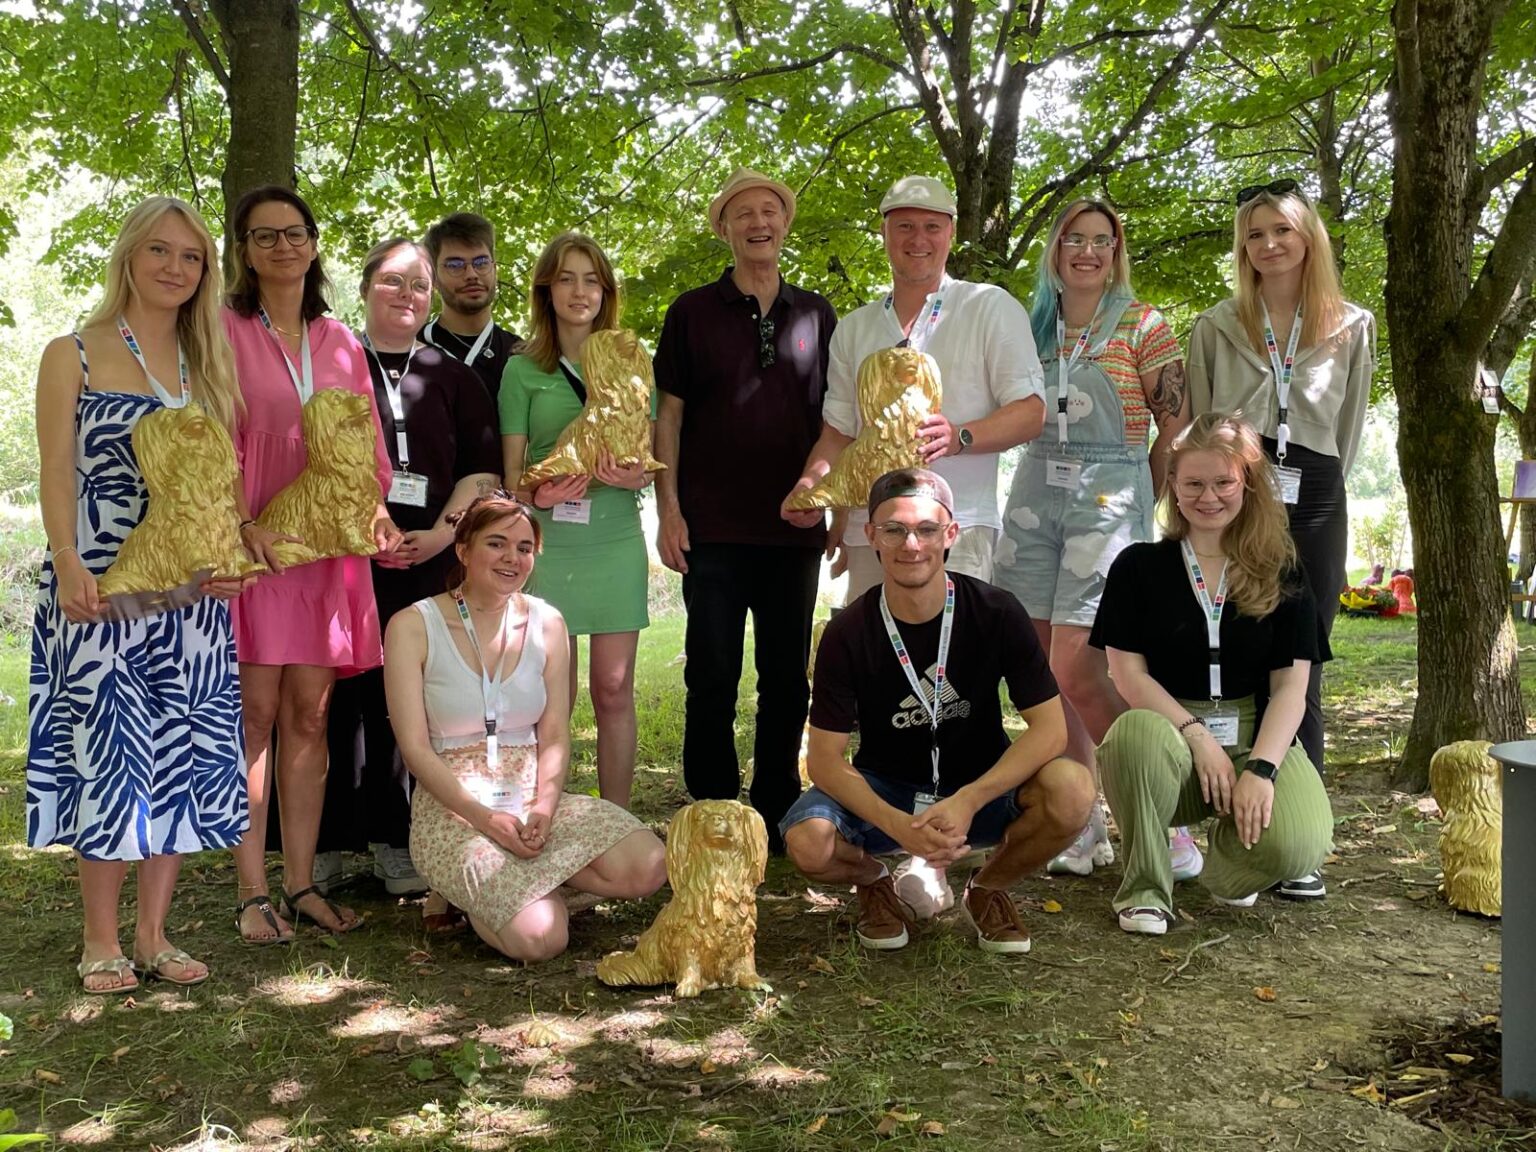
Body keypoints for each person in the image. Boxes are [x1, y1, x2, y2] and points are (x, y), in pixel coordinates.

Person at [29, 196, 250, 991]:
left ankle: (155, 936)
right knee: (111, 751)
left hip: (191, 600)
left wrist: (227, 556)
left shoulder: (210, 369)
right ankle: (99, 938)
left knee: (180, 754)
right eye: (160, 251)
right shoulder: (73, 354)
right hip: (102, 584)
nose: (175, 268)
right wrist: (66, 561)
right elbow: (57, 469)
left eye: (190, 258)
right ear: (129, 255)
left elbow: (219, 489)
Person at [782, 468, 1094, 954]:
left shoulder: (997, 611)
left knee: (1073, 791)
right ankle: (875, 880)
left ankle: (988, 888)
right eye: (895, 529)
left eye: (927, 529)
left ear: (951, 533)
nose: (912, 544)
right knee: (807, 840)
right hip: (887, 788)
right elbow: (824, 759)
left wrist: (970, 799)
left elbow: (1050, 731)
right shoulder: (847, 632)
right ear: (872, 536)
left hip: (982, 786)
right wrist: (895, 823)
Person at [992, 199, 1193, 878]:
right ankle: (1081, 821)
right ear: (1055, 248)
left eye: (1101, 241)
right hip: (1032, 499)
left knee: (1083, 666)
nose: (1087, 251)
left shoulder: (1144, 325)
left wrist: (1146, 507)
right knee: (1045, 669)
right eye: (1073, 239)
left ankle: (1162, 813)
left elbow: (1174, 432)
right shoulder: (1029, 324)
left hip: (1110, 495)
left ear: (1116, 251)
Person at [1187, 179, 1375, 900]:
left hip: (1318, 492)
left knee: (1304, 657)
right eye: (1255, 234)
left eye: (1282, 232)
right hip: (1240, 485)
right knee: (1240, 643)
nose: (1268, 245)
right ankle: (1237, 835)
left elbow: (1349, 427)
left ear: (1308, 238)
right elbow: (1205, 424)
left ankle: (1299, 839)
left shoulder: (1352, 325)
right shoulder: (1216, 324)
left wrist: (1315, 482)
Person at [224, 184, 401, 941]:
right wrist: (237, 524)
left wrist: (377, 511)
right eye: (264, 236)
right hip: (260, 540)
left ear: (314, 242)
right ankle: (250, 889)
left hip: (327, 552)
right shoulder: (223, 330)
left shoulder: (341, 340)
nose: (282, 247)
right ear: (244, 250)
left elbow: (369, 450)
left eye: (294, 233)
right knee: (255, 716)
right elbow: (210, 436)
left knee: (312, 714)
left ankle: (301, 883)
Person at [382, 494, 668, 961]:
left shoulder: (548, 623)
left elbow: (554, 734)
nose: (512, 559)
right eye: (496, 544)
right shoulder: (413, 626)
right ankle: (484, 895)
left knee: (650, 865)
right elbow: (415, 749)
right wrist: (484, 820)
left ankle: (517, 886)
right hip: (457, 811)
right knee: (543, 939)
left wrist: (546, 808)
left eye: (524, 548)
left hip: (531, 799)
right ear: (463, 550)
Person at [1090, 414, 1334, 936]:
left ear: (1246, 482)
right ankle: (1145, 891)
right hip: (1168, 736)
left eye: (1223, 482)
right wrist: (1196, 736)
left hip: (1252, 734)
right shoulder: (1137, 567)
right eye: (1193, 483)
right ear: (1172, 486)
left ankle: (1229, 872)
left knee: (1303, 842)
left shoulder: (1282, 568)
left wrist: (1263, 770)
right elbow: (1127, 675)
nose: (1209, 497)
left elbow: (1292, 687)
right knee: (1132, 732)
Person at [653, 167, 837, 848]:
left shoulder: (817, 313)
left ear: (785, 224)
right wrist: (668, 509)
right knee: (712, 671)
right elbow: (666, 418)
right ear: (723, 229)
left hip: (793, 532)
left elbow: (836, 420)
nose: (758, 223)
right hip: (713, 529)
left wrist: (835, 508)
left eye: (770, 211)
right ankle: (711, 811)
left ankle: (778, 809)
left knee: (788, 677)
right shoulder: (691, 311)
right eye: (742, 214)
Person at [319, 238, 502, 895]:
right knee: (337, 697)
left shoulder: (455, 377)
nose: (406, 295)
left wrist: (440, 534)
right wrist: (371, 523)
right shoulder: (334, 365)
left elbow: (482, 468)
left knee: (412, 703)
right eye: (392, 281)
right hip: (344, 558)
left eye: (418, 285)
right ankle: (327, 844)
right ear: (366, 287)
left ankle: (398, 840)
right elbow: (318, 456)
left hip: (428, 559)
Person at [784, 175, 1044, 603]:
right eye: (904, 226)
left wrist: (960, 436)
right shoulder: (854, 328)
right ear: (884, 232)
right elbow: (839, 434)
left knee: (957, 663)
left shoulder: (989, 307)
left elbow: (1030, 412)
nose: (918, 238)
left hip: (959, 526)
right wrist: (809, 487)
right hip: (875, 531)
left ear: (951, 232)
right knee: (875, 662)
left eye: (932, 226)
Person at [500, 232, 652, 808]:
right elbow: (511, 478)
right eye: (566, 278)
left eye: (591, 279)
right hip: (548, 545)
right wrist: (537, 495)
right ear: (547, 289)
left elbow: (649, 464)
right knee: (550, 695)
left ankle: (615, 822)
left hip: (614, 540)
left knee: (613, 689)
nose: (580, 291)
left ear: (606, 291)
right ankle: (550, 818)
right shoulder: (522, 371)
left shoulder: (634, 363)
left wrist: (630, 475)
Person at [421, 212, 523, 405]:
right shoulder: (412, 348)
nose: (471, 274)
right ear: (433, 277)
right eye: (455, 265)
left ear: (495, 270)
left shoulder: (520, 353)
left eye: (481, 263)